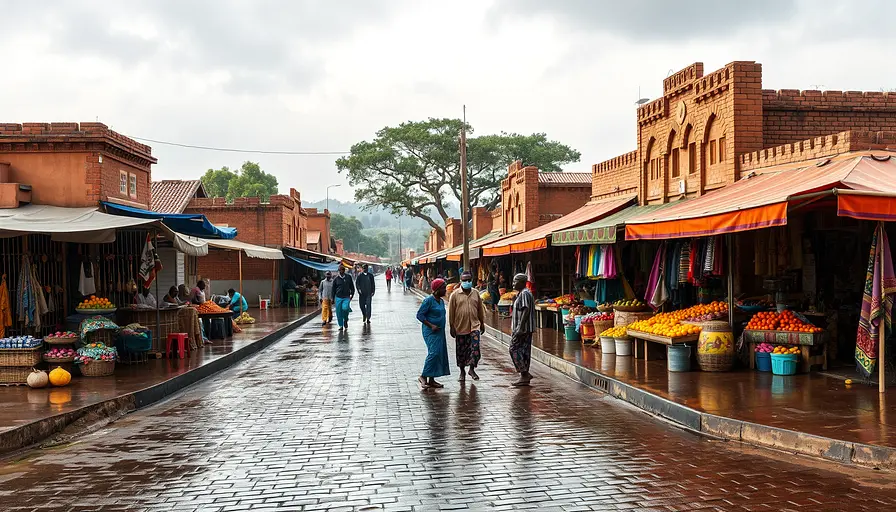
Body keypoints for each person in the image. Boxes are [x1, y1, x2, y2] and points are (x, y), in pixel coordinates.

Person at [448, 270, 485, 382]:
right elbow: (451, 312)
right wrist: (451, 326)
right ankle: (462, 371)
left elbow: (480, 309)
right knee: (461, 351)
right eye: (465, 280)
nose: (467, 282)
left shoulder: (476, 293)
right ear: (461, 281)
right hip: (460, 327)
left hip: (474, 326)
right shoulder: (454, 295)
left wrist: (482, 323)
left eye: (469, 280)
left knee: (475, 348)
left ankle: (472, 369)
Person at [416, 278, 450, 388]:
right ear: (436, 290)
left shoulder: (440, 301)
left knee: (439, 353)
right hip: (430, 331)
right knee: (434, 353)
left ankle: (432, 379)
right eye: (443, 288)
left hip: (440, 331)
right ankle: (423, 376)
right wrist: (431, 325)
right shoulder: (428, 300)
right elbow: (420, 315)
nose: (445, 290)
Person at [509, 272, 536, 387]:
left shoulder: (525, 293)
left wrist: (520, 327)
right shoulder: (521, 294)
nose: (513, 283)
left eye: (516, 281)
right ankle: (524, 377)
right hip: (523, 328)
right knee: (524, 351)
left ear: (522, 282)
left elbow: (526, 310)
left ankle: (524, 373)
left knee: (513, 349)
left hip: (523, 329)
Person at [333, 265, 355, 330]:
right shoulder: (336, 279)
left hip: (346, 297)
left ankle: (345, 319)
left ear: (344, 270)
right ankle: (340, 325)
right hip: (338, 297)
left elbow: (352, 286)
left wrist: (352, 294)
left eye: (342, 270)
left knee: (345, 308)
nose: (341, 271)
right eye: (340, 270)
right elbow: (333, 289)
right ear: (338, 271)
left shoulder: (348, 277)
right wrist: (332, 298)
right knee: (339, 312)